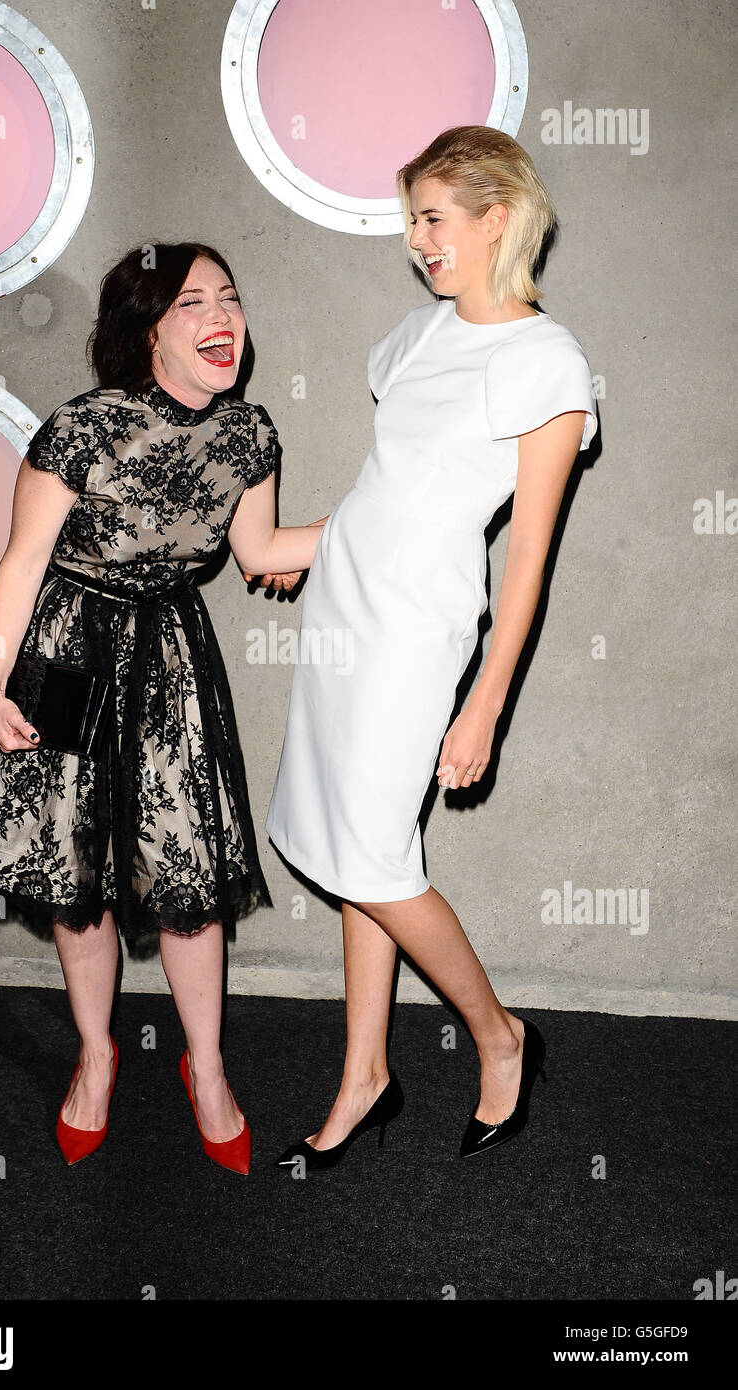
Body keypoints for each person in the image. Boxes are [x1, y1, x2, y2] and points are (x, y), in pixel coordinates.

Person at [0, 242, 324, 1171]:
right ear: (148, 329)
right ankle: (96, 1056)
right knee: (76, 877)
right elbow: (22, 561)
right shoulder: (83, 426)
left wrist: (396, 516)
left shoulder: (248, 436)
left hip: (171, 663)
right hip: (67, 653)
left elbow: (266, 551)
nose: (220, 318)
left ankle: (208, 1069)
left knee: (187, 882)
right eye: (192, 303)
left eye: (229, 299)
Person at [264, 126, 598, 1168]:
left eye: (433, 218)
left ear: (498, 218)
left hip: (416, 630)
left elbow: (529, 557)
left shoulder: (549, 360)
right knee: (359, 851)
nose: (416, 241)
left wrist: (486, 702)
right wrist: (302, 546)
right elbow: (387, 497)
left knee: (372, 853)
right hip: (343, 611)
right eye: (411, 220)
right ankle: (367, 1072)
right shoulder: (414, 338)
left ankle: (500, 1038)